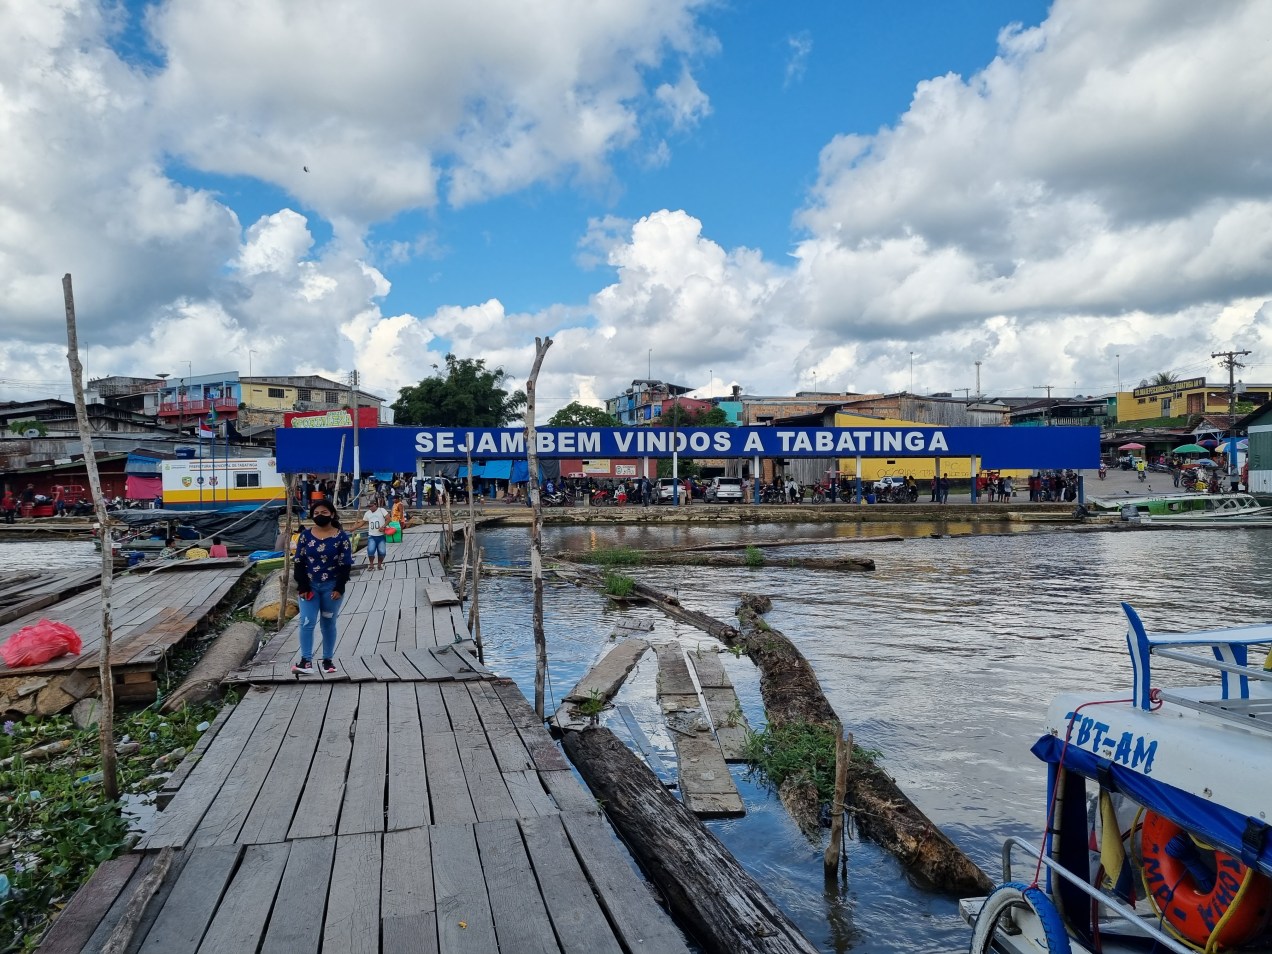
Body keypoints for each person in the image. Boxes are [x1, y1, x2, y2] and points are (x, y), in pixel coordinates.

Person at [291, 497, 352, 675]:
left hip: (331, 588)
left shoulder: (341, 538)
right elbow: (299, 561)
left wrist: (339, 588)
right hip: (309, 587)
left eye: (324, 512)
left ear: (332, 514)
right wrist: (303, 586)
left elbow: (345, 564)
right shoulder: (305, 536)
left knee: (328, 623)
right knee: (306, 622)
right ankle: (306, 661)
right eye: (316, 513)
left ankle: (328, 661)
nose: (320, 515)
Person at [352, 495, 390, 571]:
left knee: (382, 552)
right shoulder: (367, 513)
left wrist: (383, 526)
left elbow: (388, 519)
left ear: (375, 505)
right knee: (370, 551)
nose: (370, 508)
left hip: (381, 535)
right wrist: (353, 528)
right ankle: (371, 565)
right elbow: (362, 523)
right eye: (369, 506)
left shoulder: (381, 510)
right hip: (372, 535)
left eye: (371, 506)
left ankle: (379, 565)